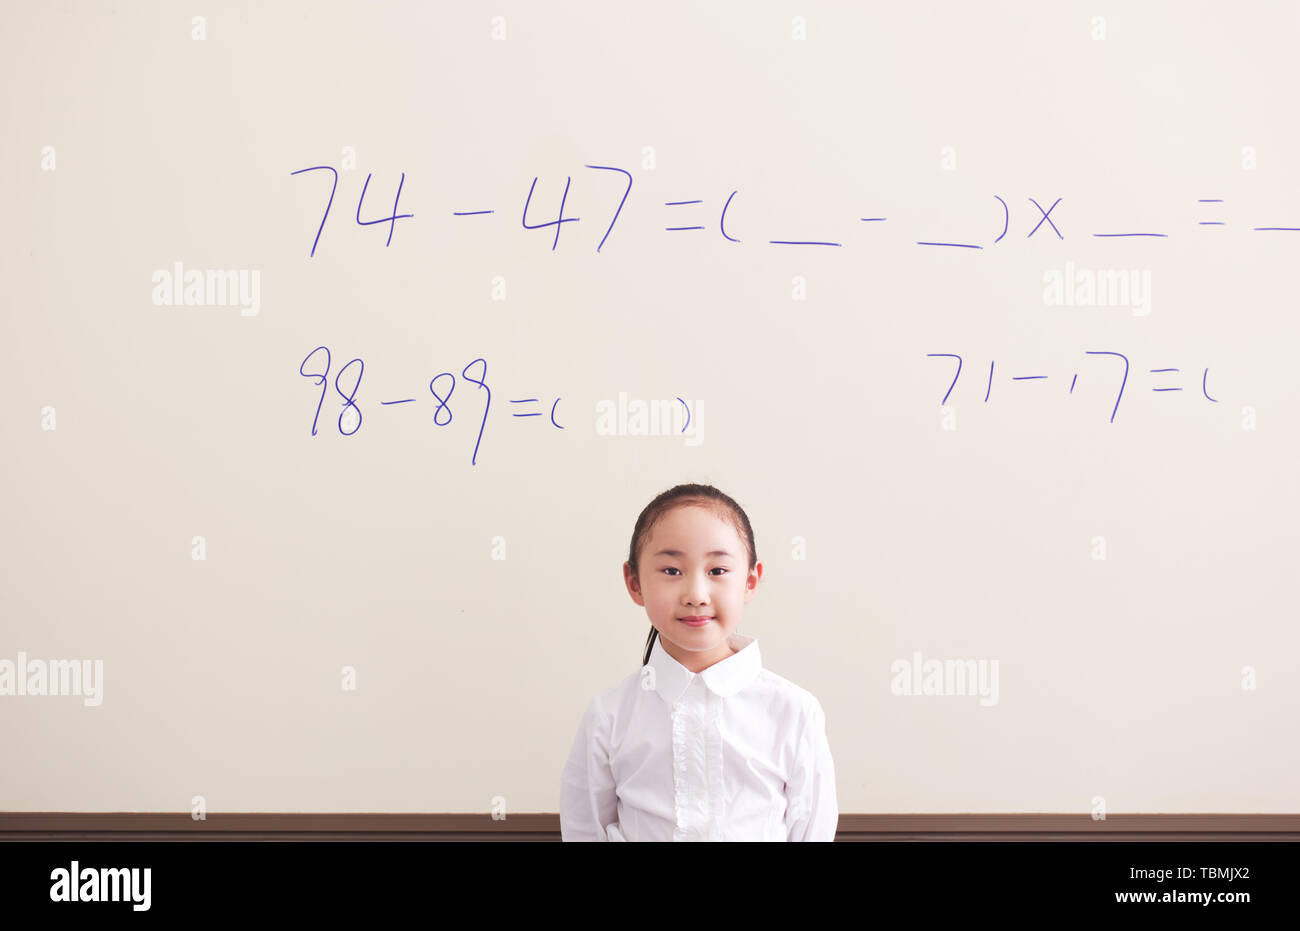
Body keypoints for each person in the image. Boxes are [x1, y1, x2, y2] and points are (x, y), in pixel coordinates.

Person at [560, 483, 838, 841]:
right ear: (634, 583)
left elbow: (811, 830)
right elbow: (584, 829)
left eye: (718, 571)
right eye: (672, 571)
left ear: (750, 581)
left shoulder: (794, 712)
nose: (696, 595)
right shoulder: (610, 715)